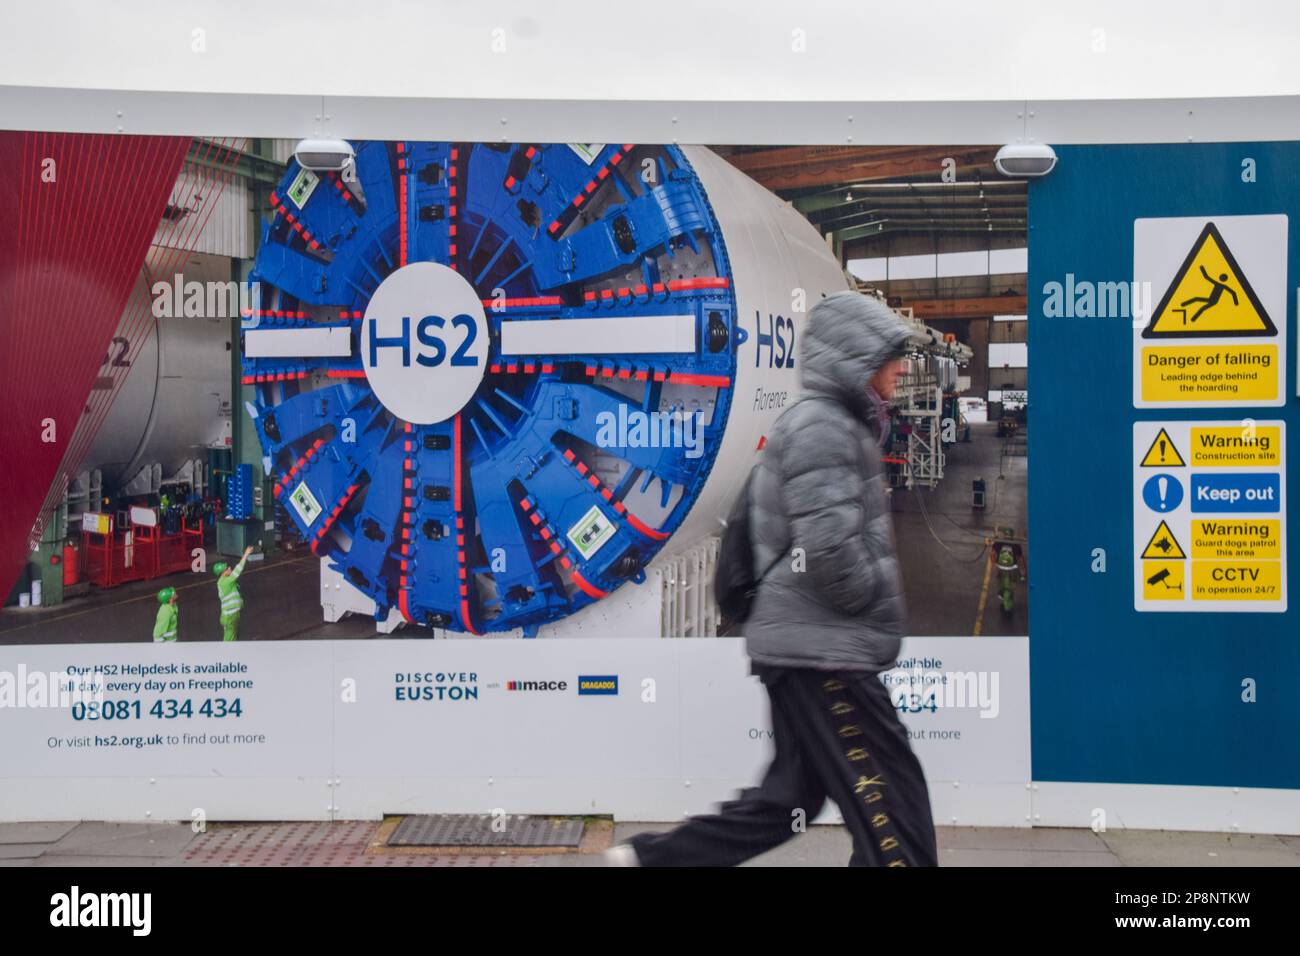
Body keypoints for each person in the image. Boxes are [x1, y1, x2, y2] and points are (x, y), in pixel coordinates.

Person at [611, 291, 938, 868]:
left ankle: (650, 861)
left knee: (785, 803)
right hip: (824, 652)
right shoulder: (824, 428)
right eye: (890, 355)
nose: (900, 367)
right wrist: (867, 599)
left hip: (803, 647)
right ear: (857, 357)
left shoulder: (834, 424)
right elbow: (830, 547)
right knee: (895, 813)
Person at [213, 545, 255, 642]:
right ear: (222, 573)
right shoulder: (225, 582)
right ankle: (227, 656)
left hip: (233, 615)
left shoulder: (225, 580)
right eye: (226, 568)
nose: (229, 568)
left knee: (233, 639)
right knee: (229, 641)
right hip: (229, 617)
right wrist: (246, 554)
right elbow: (238, 569)